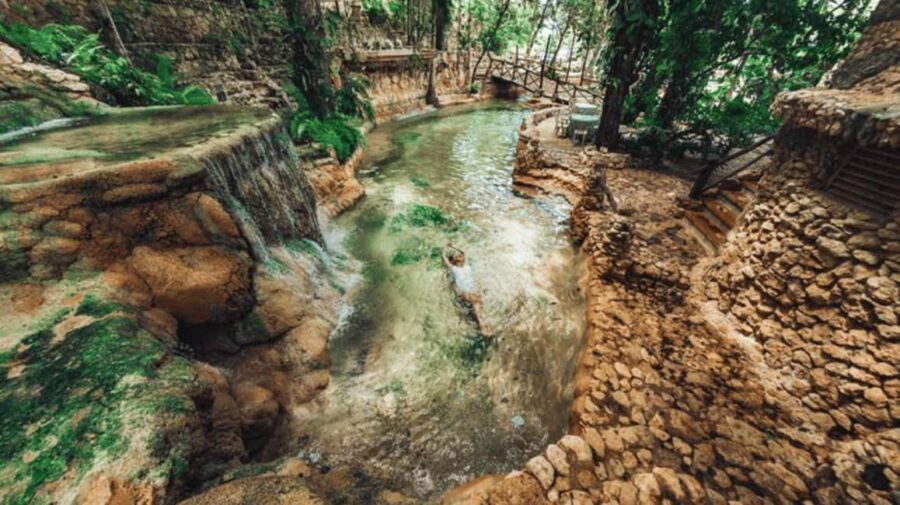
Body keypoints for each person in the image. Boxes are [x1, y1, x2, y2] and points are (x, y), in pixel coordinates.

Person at [442, 244, 493, 338]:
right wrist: (444, 249)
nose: (458, 256)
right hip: (465, 293)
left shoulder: (466, 266)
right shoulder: (454, 269)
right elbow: (444, 258)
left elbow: (464, 253)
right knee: (478, 308)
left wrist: (454, 246)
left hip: (472, 291)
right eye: (455, 256)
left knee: (480, 309)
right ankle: (485, 329)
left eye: (459, 256)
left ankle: (487, 328)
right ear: (452, 261)